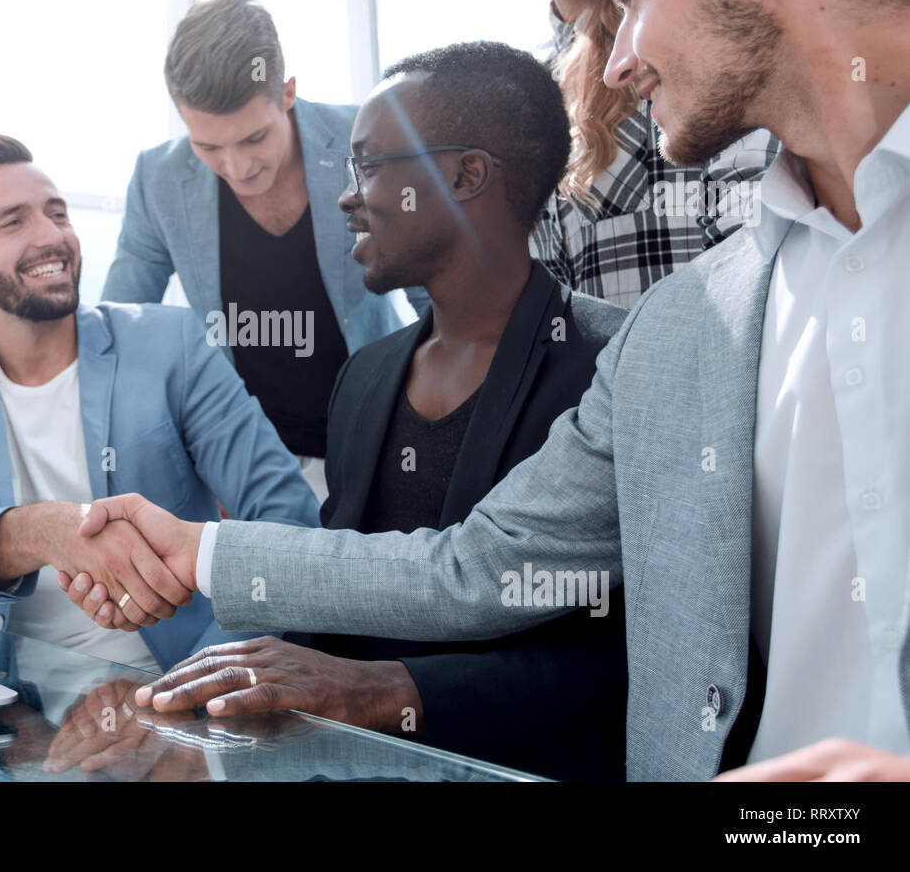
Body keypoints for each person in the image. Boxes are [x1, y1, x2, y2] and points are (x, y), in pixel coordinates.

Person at [61, 0, 910, 782]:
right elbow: (472, 568)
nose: (615, 62)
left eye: (632, 0)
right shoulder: (684, 330)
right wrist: (199, 549)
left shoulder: (605, 338)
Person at [67, 42, 629, 780]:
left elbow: (620, 659)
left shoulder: (605, 363)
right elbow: (338, 599)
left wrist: (392, 691)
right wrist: (195, 666)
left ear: (465, 175)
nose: (343, 195)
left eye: (368, 166)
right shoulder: (366, 379)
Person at [0, 134, 319, 673]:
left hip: (184, 678)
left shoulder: (171, 345)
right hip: (16, 706)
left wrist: (195, 685)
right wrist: (48, 531)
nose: (51, 237)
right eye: (14, 221)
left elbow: (289, 521)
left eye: (57, 213)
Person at [101, 0, 427, 497]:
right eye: (208, 146)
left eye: (254, 138)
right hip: (246, 463)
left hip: (376, 437)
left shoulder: (365, 141)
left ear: (288, 93)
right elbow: (121, 332)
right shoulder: (157, 178)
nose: (237, 167)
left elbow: (434, 287)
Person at [480, 0, 780, 308]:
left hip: (697, 362)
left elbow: (755, 252)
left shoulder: (694, 34)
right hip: (586, 376)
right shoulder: (516, 93)